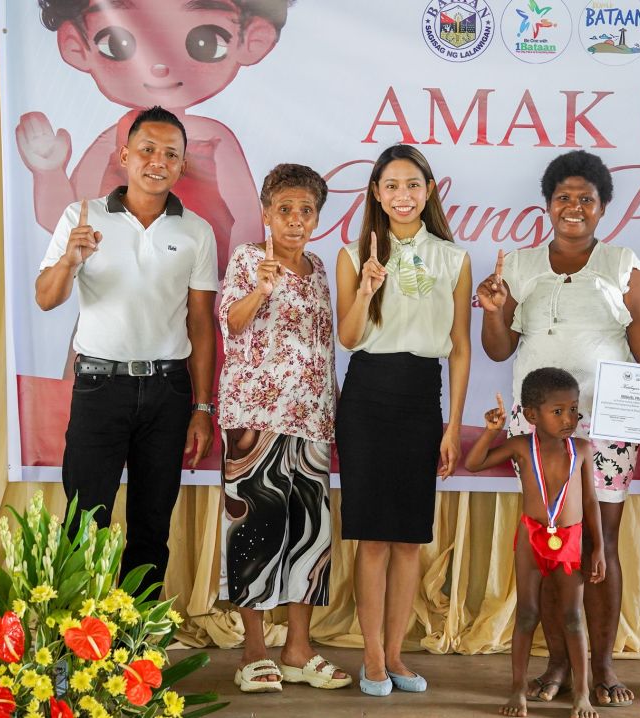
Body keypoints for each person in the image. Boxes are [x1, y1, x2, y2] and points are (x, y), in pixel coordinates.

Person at [476, 150, 640, 707]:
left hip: (605, 423)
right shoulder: (519, 266)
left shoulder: (624, 263)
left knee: (600, 545)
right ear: (547, 205)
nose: (573, 207)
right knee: (551, 546)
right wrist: (492, 309)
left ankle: (600, 668)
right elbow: (499, 347)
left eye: (586, 199)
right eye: (563, 197)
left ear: (602, 209)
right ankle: (557, 668)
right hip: (539, 434)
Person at [35, 106, 217, 598]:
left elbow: (201, 325)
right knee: (83, 522)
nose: (158, 161)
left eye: (170, 154)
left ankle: (136, 652)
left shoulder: (196, 231)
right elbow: (46, 298)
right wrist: (71, 260)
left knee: (152, 524)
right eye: (147, 150)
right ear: (125, 156)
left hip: (168, 389)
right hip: (100, 386)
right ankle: (74, 650)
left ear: (182, 165)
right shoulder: (82, 216)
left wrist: (202, 407)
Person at [335, 144, 472, 696]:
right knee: (372, 539)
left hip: (422, 398)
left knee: (410, 539)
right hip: (367, 396)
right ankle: (370, 656)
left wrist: (451, 425)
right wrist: (367, 287)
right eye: (391, 185)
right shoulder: (351, 255)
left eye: (412, 185)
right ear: (375, 192)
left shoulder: (455, 259)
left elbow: (460, 347)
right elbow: (347, 338)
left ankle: (397, 655)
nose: (402, 195)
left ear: (430, 190)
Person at [19, 0, 292, 270]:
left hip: (201, 286)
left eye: (205, 42)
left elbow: (246, 221)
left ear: (252, 40)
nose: (158, 65)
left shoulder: (213, 138)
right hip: (120, 287)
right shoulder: (114, 141)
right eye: (117, 44)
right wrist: (49, 173)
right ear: (77, 46)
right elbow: (68, 221)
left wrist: (232, 284)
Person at [217, 164, 351, 693]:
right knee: (255, 530)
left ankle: (298, 647)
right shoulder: (250, 259)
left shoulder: (319, 268)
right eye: (285, 210)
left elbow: (324, 346)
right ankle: (254, 651)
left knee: (310, 536)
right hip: (256, 420)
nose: (296, 220)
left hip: (313, 420)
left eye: (306, 211)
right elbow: (232, 321)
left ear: (318, 216)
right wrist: (262, 290)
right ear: (266, 213)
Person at [465, 369, 604, 718]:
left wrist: (597, 547)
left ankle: (582, 694)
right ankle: (517, 690)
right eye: (558, 411)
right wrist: (491, 432)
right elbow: (474, 463)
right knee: (527, 615)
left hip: (570, 541)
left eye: (573, 409)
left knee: (573, 617)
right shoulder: (520, 447)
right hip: (531, 540)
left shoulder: (582, 450)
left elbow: (590, 503)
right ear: (531, 415)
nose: (569, 418)